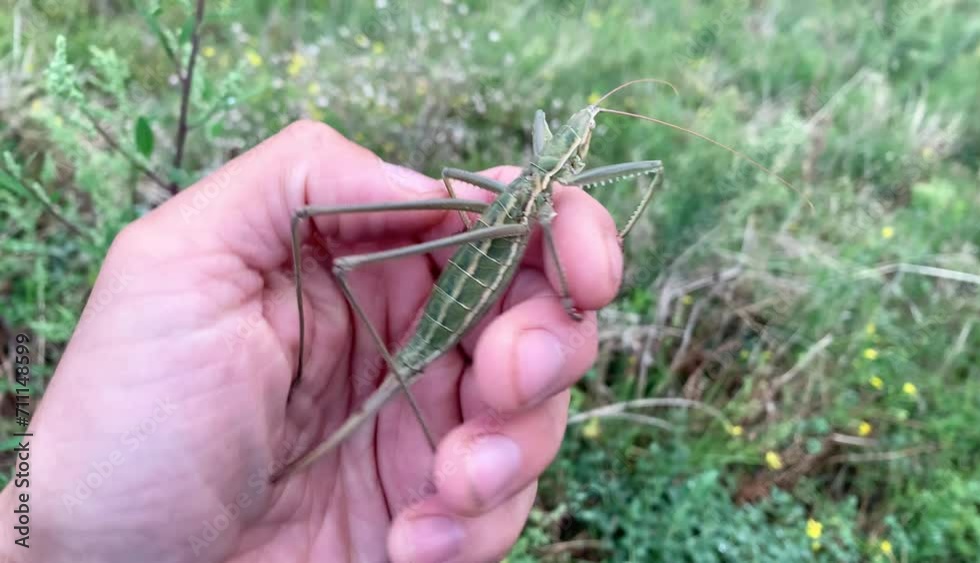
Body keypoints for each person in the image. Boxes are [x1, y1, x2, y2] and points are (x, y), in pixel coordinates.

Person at [0, 120, 623, 563]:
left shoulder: (547, 190)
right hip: (471, 273)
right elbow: (533, 224)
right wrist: (39, 546)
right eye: (583, 135)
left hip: (486, 257)